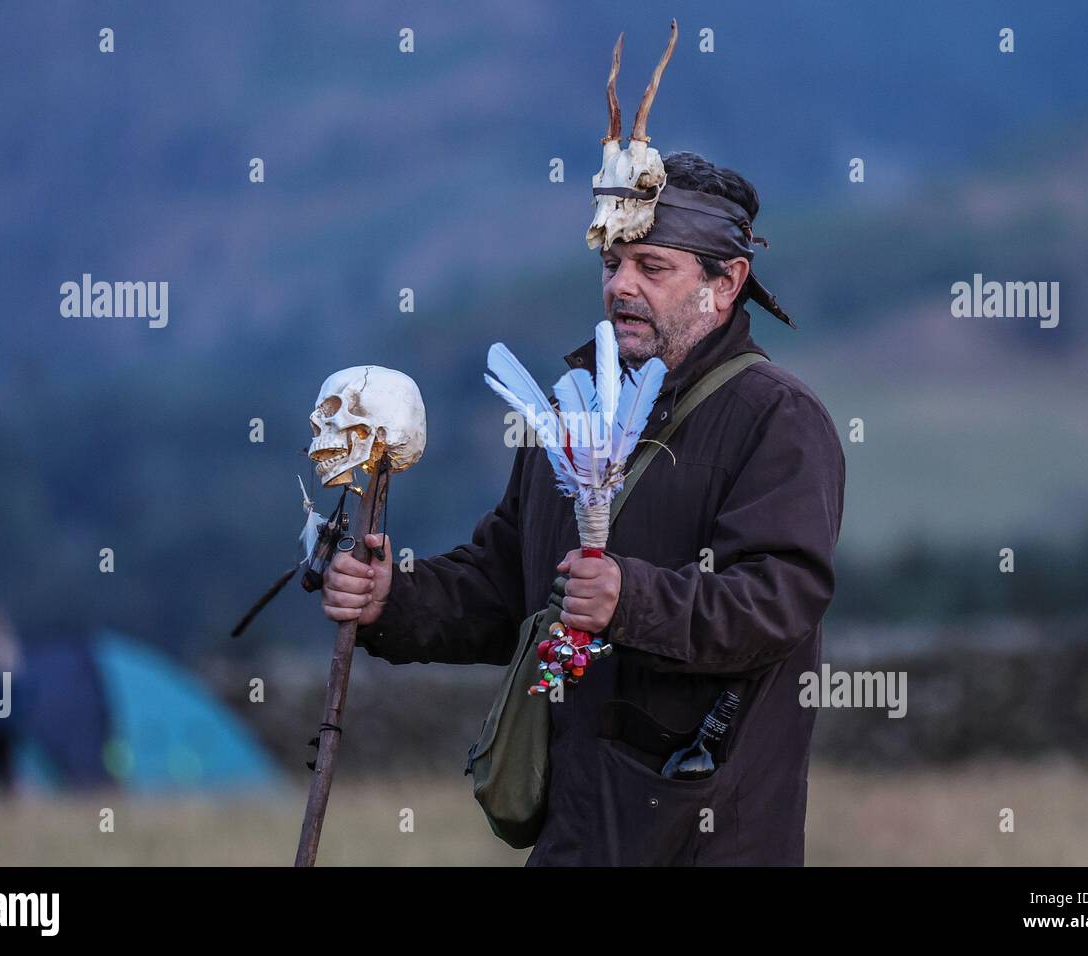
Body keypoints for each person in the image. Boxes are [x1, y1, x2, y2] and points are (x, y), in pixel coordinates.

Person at [322, 150, 845, 865]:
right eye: (612, 265)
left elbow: (780, 602)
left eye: (652, 268)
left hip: (708, 840)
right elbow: (504, 584)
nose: (622, 287)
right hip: (574, 836)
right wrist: (394, 597)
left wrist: (630, 600)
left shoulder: (776, 419)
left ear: (726, 284)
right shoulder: (573, 410)